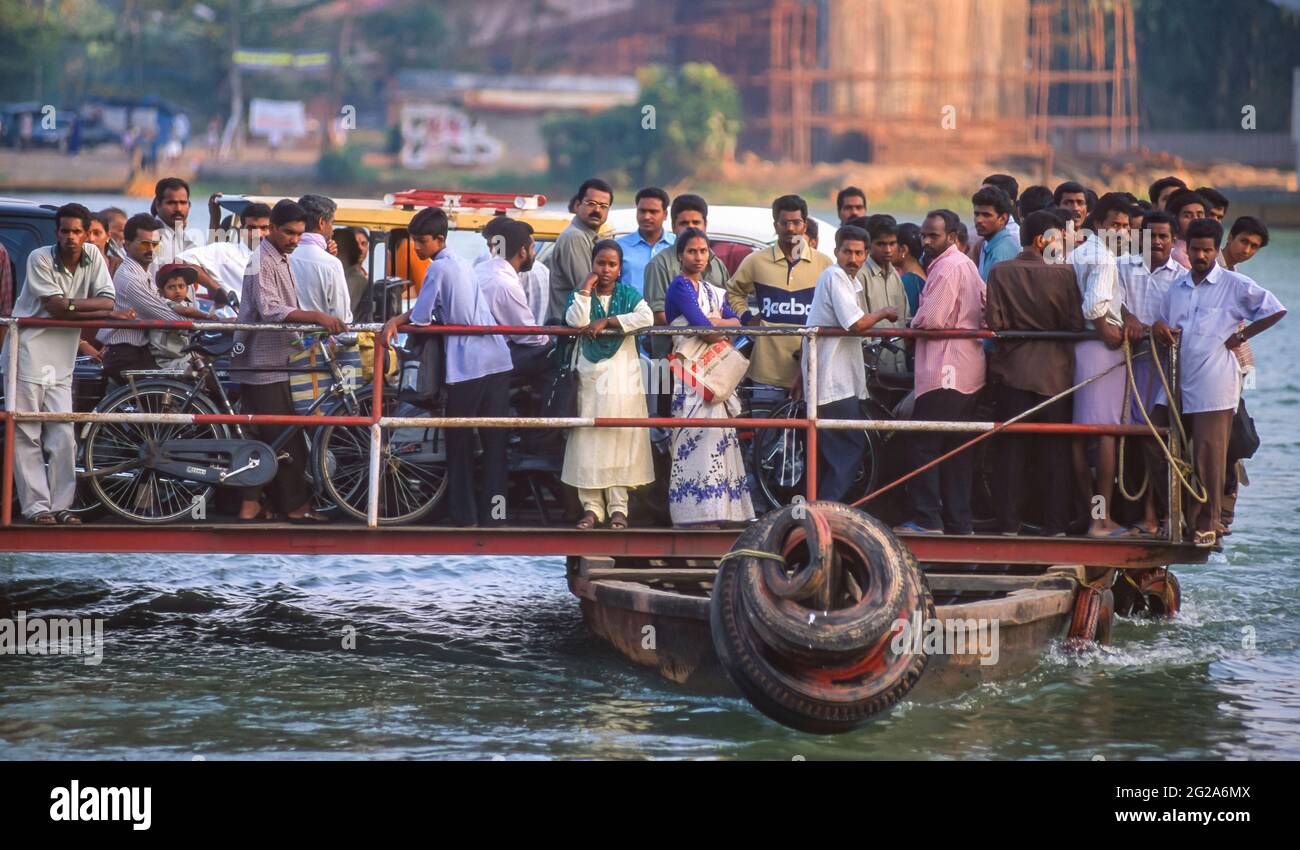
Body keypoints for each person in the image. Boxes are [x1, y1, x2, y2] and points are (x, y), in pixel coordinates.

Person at [1153, 218, 1285, 545]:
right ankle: (1174, 515)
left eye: (1207, 250)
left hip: (1215, 381)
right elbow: (1167, 324)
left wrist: (1241, 335)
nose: (1200, 255)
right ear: (1188, 247)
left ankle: (1208, 523)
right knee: (1155, 440)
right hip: (1177, 378)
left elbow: (1274, 309)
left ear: (1216, 249)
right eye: (1195, 249)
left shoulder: (1233, 284)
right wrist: (1158, 327)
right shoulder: (1177, 288)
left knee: (1209, 456)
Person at [383, 207, 512, 527]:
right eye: (414, 241)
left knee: (460, 441)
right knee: (495, 445)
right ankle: (496, 515)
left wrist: (393, 320)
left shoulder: (439, 269)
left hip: (469, 364)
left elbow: (422, 317)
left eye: (421, 242)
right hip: (496, 359)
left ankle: (463, 515)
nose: (416, 248)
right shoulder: (462, 263)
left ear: (439, 239)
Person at [2, 204, 129, 525]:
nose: (70, 238)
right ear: (56, 232)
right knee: (26, 434)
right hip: (27, 352)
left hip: (61, 359)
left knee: (63, 436)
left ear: (87, 233)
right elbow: (56, 306)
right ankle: (37, 508)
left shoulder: (94, 258)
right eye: (64, 231)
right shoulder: (40, 258)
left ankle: (62, 506)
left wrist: (88, 308)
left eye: (76, 232)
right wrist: (102, 313)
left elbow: (107, 300)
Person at [231, 199, 343, 522]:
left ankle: (251, 504)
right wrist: (317, 316)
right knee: (288, 440)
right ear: (274, 229)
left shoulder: (280, 257)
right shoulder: (262, 260)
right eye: (289, 233)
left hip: (276, 358)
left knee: (265, 436)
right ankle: (295, 508)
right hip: (262, 363)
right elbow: (270, 310)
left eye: (299, 234)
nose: (295, 240)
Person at [985, 210, 1084, 536]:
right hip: (1055, 375)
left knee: (1010, 451)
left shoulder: (1000, 272)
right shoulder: (1064, 273)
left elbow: (995, 324)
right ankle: (1055, 525)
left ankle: (1008, 524)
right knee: (1055, 452)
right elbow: (1074, 323)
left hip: (1013, 372)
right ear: (1042, 240)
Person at [896, 209, 985, 535]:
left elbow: (931, 319)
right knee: (956, 451)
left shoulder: (947, 268)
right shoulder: (966, 264)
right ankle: (960, 523)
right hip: (968, 370)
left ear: (951, 237)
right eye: (923, 235)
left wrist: (911, 324)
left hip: (945, 371)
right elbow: (987, 306)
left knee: (923, 444)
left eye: (933, 235)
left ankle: (926, 519)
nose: (925, 241)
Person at [665, 228, 755, 527]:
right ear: (680, 256)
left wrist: (719, 322)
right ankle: (694, 517)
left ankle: (719, 512)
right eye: (692, 251)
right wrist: (720, 323)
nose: (699, 257)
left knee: (719, 441)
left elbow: (738, 321)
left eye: (704, 251)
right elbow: (707, 330)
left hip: (715, 378)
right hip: (690, 376)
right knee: (693, 442)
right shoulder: (680, 287)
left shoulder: (711, 290)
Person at [563, 240, 655, 529]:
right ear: (592, 265)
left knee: (619, 437)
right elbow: (575, 321)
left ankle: (618, 509)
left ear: (619, 269)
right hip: (589, 377)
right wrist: (585, 289)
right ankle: (591, 509)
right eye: (600, 263)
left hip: (621, 378)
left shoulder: (628, 294)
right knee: (588, 437)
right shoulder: (580, 294)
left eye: (611, 264)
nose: (605, 269)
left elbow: (646, 317)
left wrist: (608, 321)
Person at [804, 225, 898, 501]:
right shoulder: (835, 275)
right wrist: (884, 312)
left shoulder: (846, 280)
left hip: (834, 377)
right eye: (847, 252)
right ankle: (826, 510)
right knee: (849, 448)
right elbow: (855, 324)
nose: (853, 258)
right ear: (836, 252)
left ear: (866, 254)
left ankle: (819, 508)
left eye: (859, 253)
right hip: (833, 382)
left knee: (831, 451)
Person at [1068, 192, 1136, 537]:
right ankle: (1100, 519)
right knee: (1106, 435)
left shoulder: (1077, 252)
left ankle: (1091, 514)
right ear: (1098, 224)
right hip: (1101, 349)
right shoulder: (1104, 258)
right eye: (1115, 225)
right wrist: (1106, 329)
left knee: (1081, 436)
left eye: (1126, 226)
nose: (1121, 232)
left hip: (1080, 350)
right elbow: (1094, 306)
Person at [1116, 209, 1182, 535]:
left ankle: (1158, 512)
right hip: (1124, 366)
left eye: (1163, 236)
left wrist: (1160, 327)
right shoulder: (1121, 267)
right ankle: (1138, 514)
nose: (1156, 242)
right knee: (1129, 439)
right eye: (1150, 235)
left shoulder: (1182, 277)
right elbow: (1108, 300)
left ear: (1173, 240)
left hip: (1164, 369)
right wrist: (1128, 316)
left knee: (1157, 439)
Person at [726, 194, 829, 394]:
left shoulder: (824, 264)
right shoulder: (755, 261)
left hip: (811, 369)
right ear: (776, 226)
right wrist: (746, 317)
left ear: (805, 225)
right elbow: (733, 291)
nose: (790, 228)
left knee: (807, 425)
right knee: (767, 425)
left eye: (796, 222)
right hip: (766, 370)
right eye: (784, 222)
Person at [102, 215, 214, 383]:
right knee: (198, 374)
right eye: (144, 244)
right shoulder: (131, 279)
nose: (151, 249)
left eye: (155, 244)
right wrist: (211, 323)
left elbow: (166, 308)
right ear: (126, 245)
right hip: (127, 354)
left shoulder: (142, 273)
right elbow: (169, 317)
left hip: (139, 350)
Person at [643, 194, 731, 362]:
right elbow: (658, 315)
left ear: (705, 225)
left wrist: (716, 325)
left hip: (714, 358)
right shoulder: (660, 265)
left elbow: (727, 309)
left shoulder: (716, 263)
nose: (690, 228)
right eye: (684, 223)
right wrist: (701, 324)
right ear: (673, 227)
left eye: (696, 223)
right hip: (674, 356)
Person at [478, 219, 552, 385]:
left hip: (484, 347)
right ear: (523, 252)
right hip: (493, 354)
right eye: (532, 248)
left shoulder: (482, 268)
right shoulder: (505, 283)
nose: (534, 254)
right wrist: (548, 340)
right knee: (557, 354)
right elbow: (528, 335)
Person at [545, 178, 612, 322]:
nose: (597, 210)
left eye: (603, 206)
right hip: (572, 329)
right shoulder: (575, 237)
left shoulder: (591, 237)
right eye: (591, 204)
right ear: (577, 205)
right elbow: (587, 288)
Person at [176, 202, 272, 302]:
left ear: (273, 229)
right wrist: (219, 290)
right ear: (242, 230)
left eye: (264, 228)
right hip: (237, 315)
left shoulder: (284, 257)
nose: (258, 234)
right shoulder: (225, 251)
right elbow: (181, 260)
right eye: (251, 228)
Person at [859, 218, 912, 378]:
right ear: (869, 246)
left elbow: (904, 318)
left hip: (897, 363)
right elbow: (858, 323)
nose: (888, 249)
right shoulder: (860, 275)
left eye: (892, 243)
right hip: (870, 366)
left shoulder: (895, 274)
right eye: (881, 244)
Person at [291, 194, 351, 323]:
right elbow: (342, 317)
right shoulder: (331, 264)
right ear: (321, 223)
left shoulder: (280, 255)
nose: (333, 230)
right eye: (332, 223)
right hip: (318, 340)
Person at [616, 187, 674, 295]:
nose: (647, 217)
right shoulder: (619, 246)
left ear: (665, 215)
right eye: (642, 211)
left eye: (653, 212)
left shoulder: (677, 246)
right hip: (630, 311)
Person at [149, 264, 208, 370]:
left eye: (181, 286)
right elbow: (186, 311)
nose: (178, 291)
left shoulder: (186, 303)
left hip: (183, 355)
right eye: (171, 287)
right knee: (203, 372)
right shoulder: (165, 303)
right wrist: (208, 317)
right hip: (168, 360)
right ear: (161, 291)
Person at [151, 176, 207, 268]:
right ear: (158, 205)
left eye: (183, 202)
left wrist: (214, 218)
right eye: (171, 203)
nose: (178, 209)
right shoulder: (151, 237)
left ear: (189, 205)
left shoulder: (180, 236)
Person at [972, 186, 1019, 280]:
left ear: (1003, 218)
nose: (979, 220)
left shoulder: (1001, 251)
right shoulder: (990, 245)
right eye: (976, 214)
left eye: (986, 215)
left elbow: (989, 292)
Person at [1166, 189, 1208, 269]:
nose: (1195, 220)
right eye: (1187, 216)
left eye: (1199, 215)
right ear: (1176, 219)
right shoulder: (1178, 254)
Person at [334, 226, 371, 315]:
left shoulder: (361, 278)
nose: (360, 249)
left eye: (363, 244)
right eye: (356, 244)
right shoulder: (342, 274)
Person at [894, 222, 926, 316]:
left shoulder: (909, 281)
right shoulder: (920, 274)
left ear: (903, 250)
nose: (888, 250)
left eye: (892, 244)